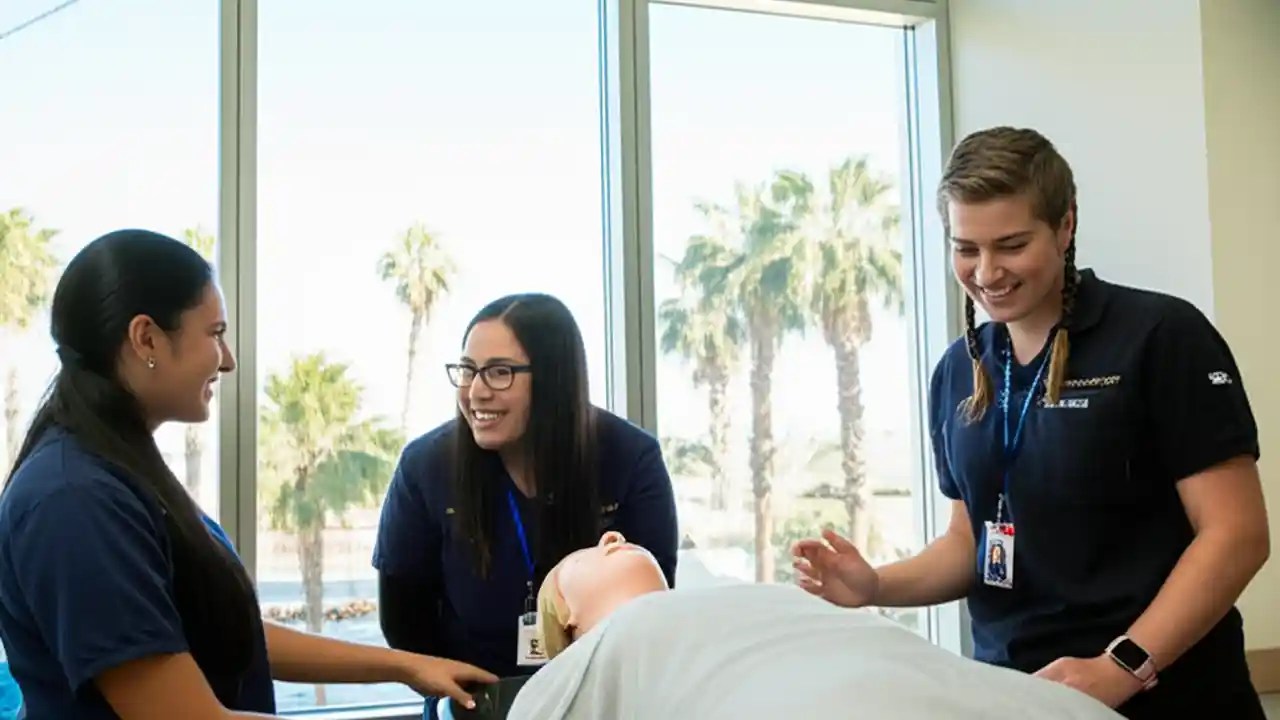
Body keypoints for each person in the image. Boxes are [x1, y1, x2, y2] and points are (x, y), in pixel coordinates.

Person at [792, 126, 1271, 719]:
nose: (987, 272)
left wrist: (1120, 667)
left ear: (1065, 226)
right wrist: (875, 586)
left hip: (1170, 696)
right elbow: (970, 542)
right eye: (966, 249)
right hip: (1018, 700)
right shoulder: (959, 370)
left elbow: (1236, 534)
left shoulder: (1160, 336)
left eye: (1012, 245)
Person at [0, 230, 497, 719]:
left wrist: (407, 666)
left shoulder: (116, 470)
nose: (228, 360)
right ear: (146, 337)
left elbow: (223, 634)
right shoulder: (74, 501)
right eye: (215, 334)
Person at [372, 293, 679, 711]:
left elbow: (649, 610)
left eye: (499, 372)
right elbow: (403, 621)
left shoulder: (629, 457)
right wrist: (468, 697)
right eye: (467, 370)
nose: (476, 391)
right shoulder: (426, 466)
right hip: (472, 703)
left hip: (600, 702)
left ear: (554, 379)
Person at [498, 532, 1124, 720]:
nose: (612, 537)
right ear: (568, 622)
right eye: (584, 556)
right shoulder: (575, 672)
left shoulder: (749, 602)